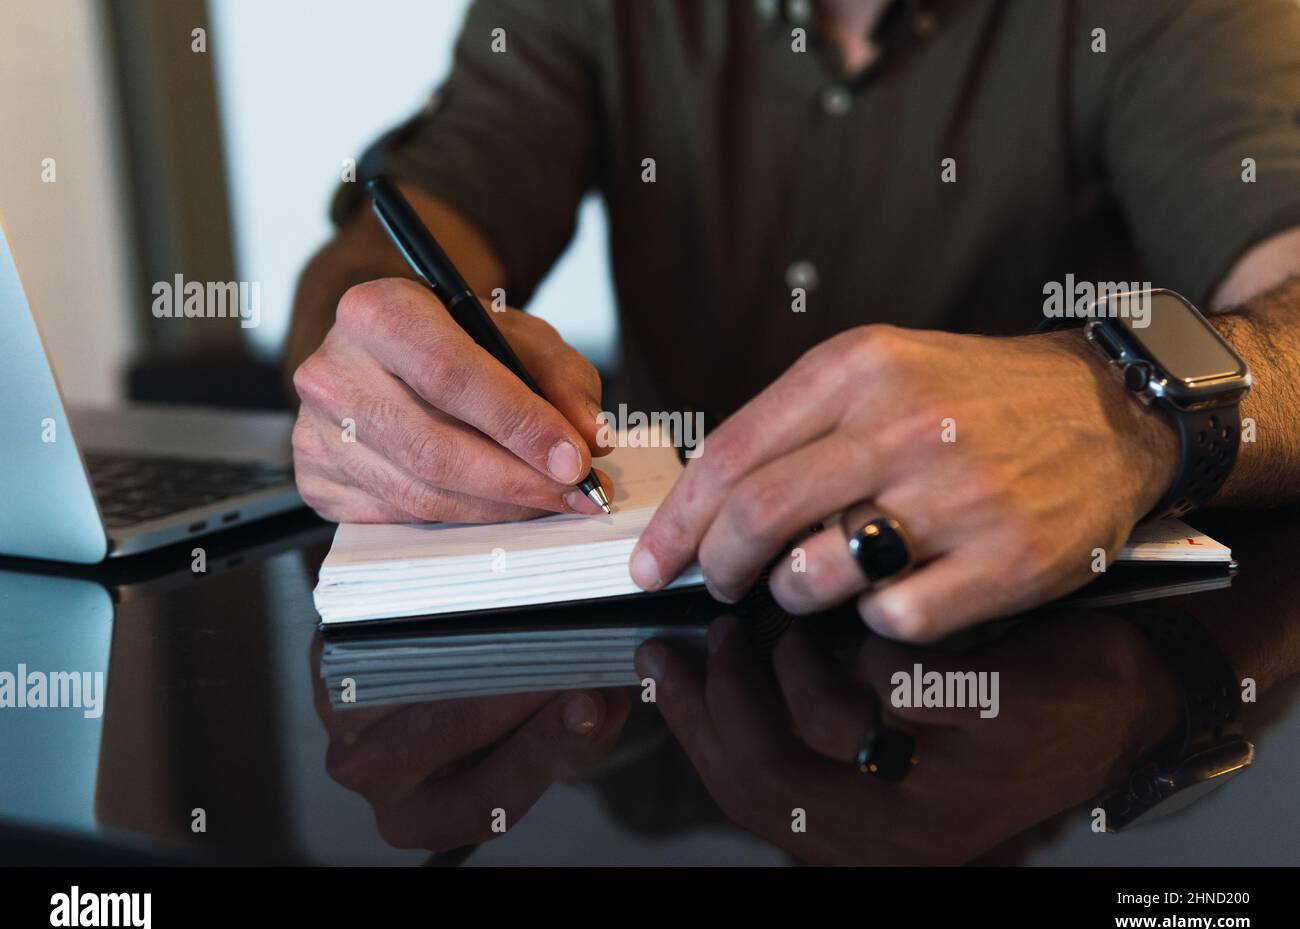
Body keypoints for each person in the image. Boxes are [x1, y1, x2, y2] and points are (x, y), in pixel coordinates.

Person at [285, 0, 1300, 642]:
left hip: (1052, 656)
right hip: (672, 667)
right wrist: (379, 353)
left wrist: (1123, 409)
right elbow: (413, 228)